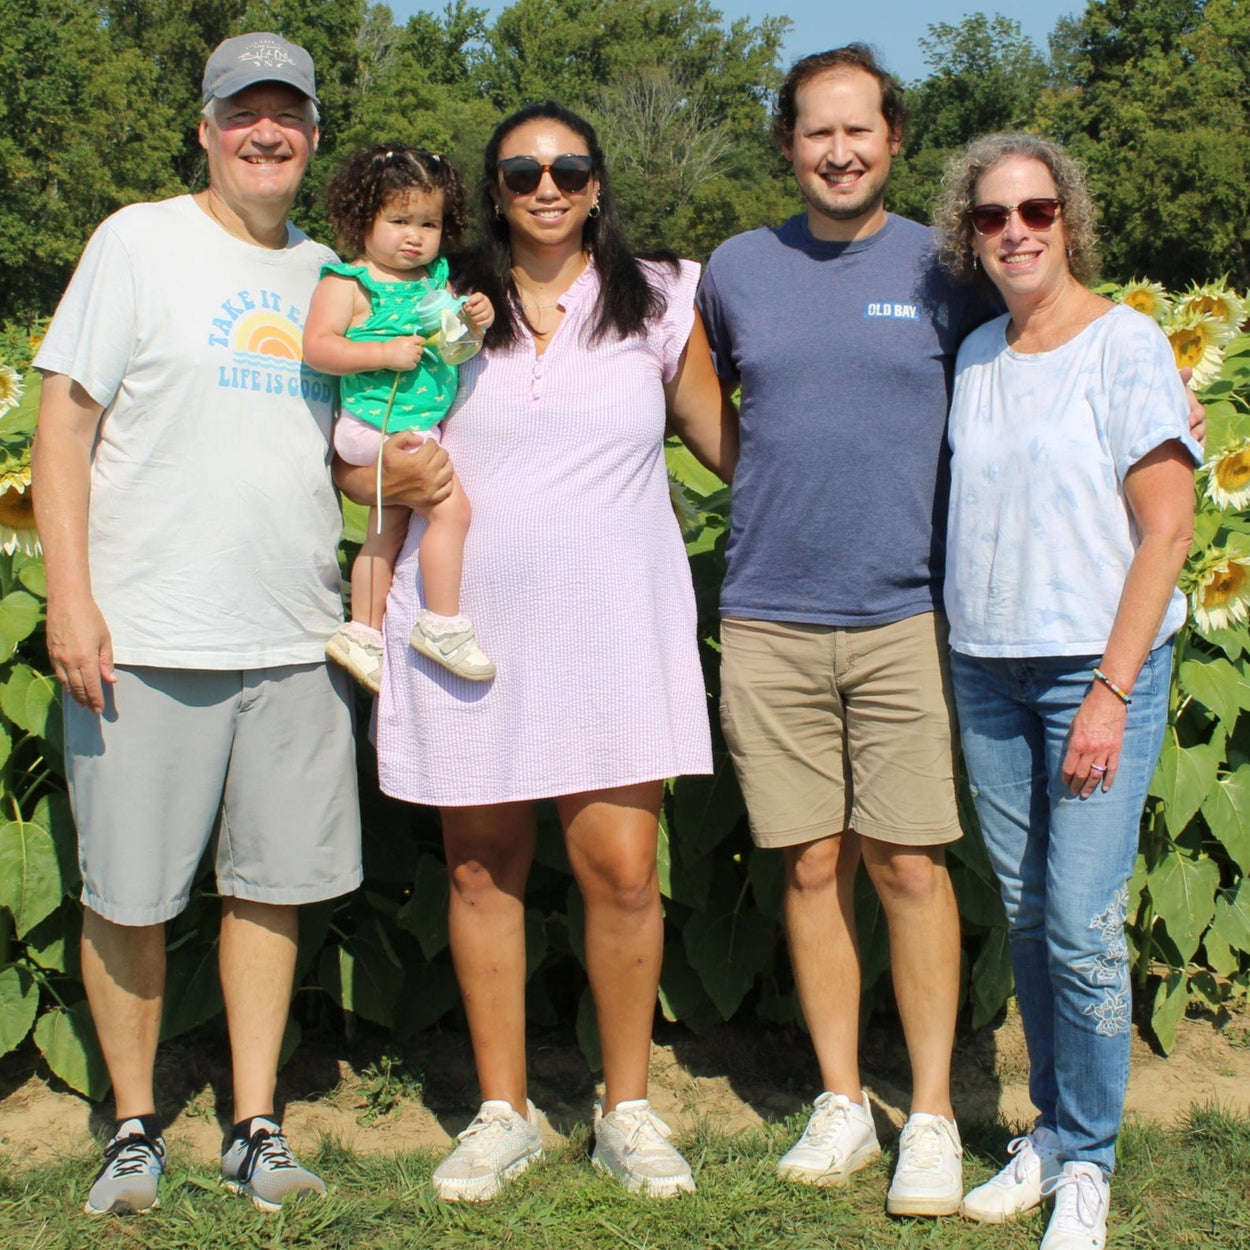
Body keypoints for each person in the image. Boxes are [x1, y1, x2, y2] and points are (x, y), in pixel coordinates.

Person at [27, 32, 417, 1216]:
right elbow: (64, 427)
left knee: (270, 886)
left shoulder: (329, 277)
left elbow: (335, 455)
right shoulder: (138, 242)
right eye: (243, 113)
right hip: (144, 634)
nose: (266, 132)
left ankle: (255, 1122)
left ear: (310, 134)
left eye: (286, 115)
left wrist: (399, 476)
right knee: (130, 892)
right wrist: (72, 596)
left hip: (294, 635)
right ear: (203, 128)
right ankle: (134, 1126)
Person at [336, 100, 735, 1201]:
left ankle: (628, 1106)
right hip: (470, 630)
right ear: (496, 188)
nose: (546, 186)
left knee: (622, 870)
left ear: (598, 183)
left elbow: (725, 441)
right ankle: (501, 1110)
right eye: (521, 171)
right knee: (478, 867)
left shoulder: (657, 298)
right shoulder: (438, 307)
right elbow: (360, 433)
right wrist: (361, 478)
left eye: (568, 167)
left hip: (612, 624)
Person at [696, 45, 992, 1216]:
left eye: (857, 130)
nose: (836, 150)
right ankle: (837, 1097)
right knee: (808, 861)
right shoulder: (734, 269)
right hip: (768, 610)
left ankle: (924, 1114)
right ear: (786, 144)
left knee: (909, 863)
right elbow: (711, 407)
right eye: (814, 132)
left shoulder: (944, 264)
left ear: (892, 138)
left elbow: (1033, 349)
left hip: (904, 610)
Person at [934, 133, 1199, 1250]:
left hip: (1095, 671)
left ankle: (1086, 1158)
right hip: (986, 666)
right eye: (991, 216)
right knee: (1031, 911)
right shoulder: (978, 354)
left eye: (1034, 209)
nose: (1014, 231)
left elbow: (1167, 528)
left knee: (1085, 923)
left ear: (1067, 218)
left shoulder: (1125, 345)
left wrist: (1106, 688)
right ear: (968, 234)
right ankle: (1046, 1130)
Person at [306, 144, 496, 692]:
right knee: (452, 513)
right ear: (362, 219)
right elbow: (317, 347)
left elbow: (456, 352)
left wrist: (473, 323)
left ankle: (361, 633)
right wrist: (381, 354)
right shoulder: (348, 283)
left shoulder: (434, 284)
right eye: (398, 220)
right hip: (378, 424)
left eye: (428, 223)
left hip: (411, 423)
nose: (414, 235)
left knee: (384, 533)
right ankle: (440, 622)